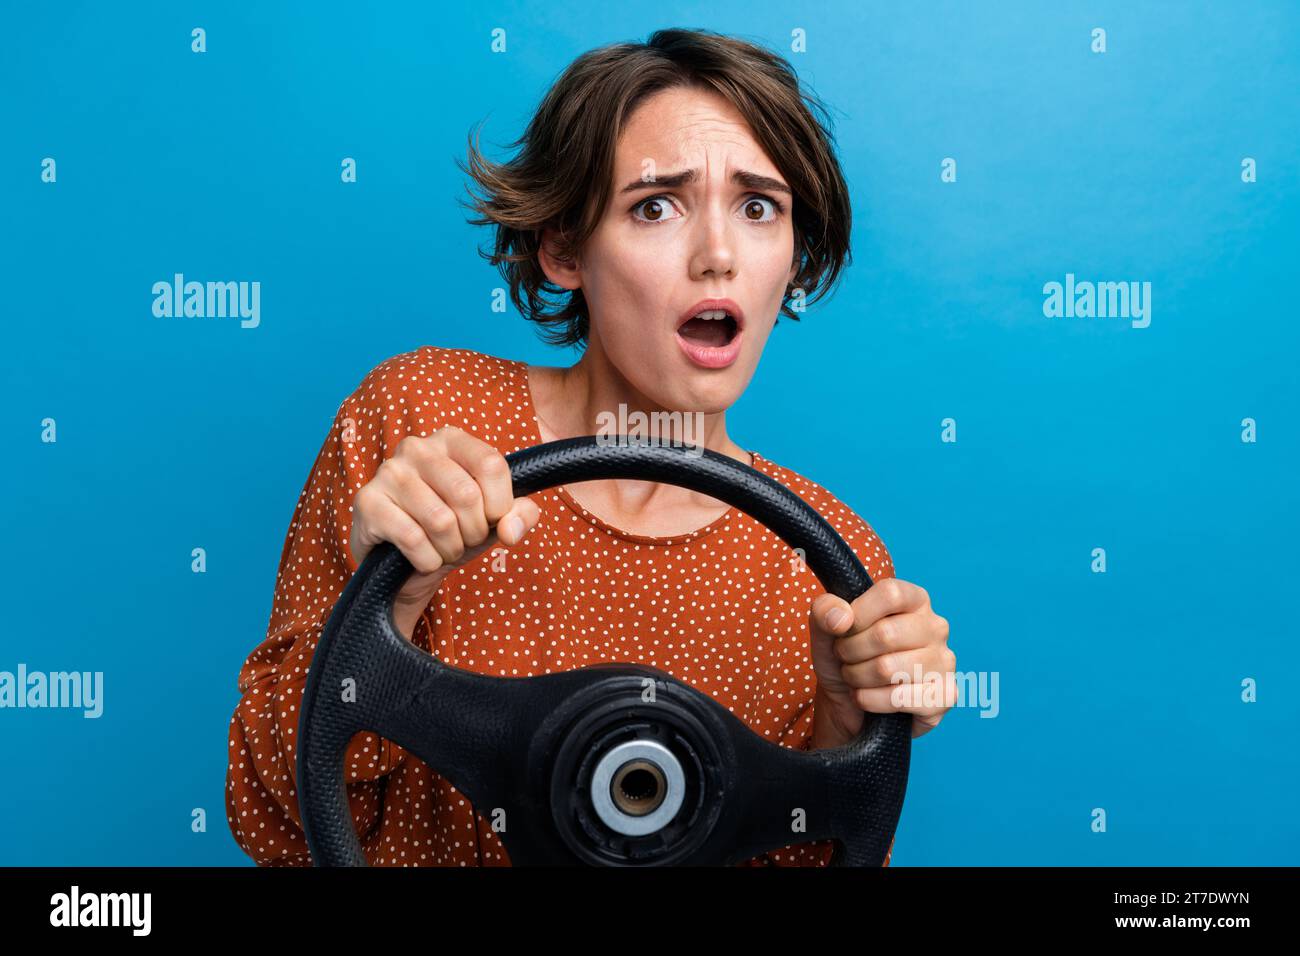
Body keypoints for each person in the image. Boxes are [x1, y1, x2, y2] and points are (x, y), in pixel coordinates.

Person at [226, 28, 955, 867]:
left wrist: (844, 720)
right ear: (566, 248)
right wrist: (392, 593)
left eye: (760, 207)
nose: (718, 256)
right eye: (655, 205)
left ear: (791, 256)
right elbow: (271, 816)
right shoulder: (424, 420)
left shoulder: (827, 559)